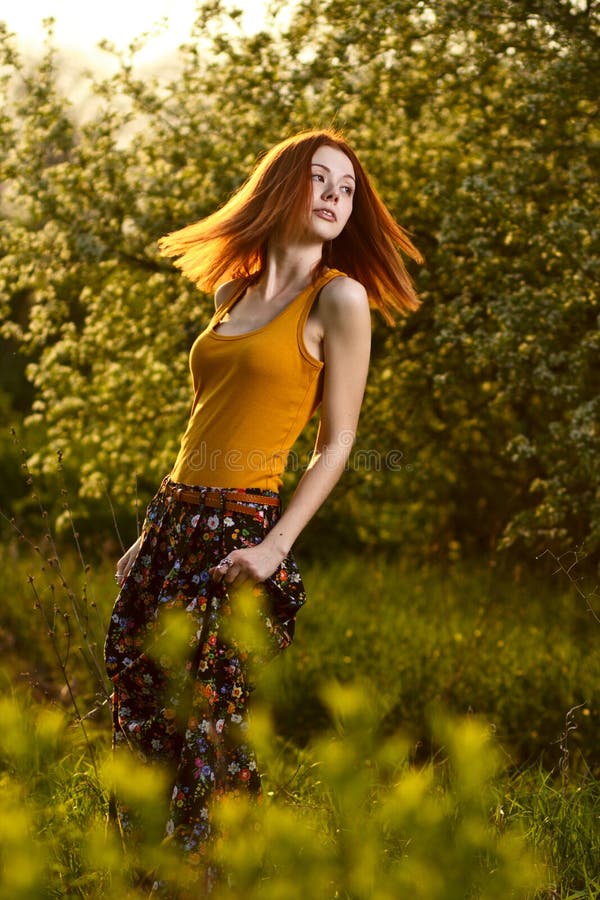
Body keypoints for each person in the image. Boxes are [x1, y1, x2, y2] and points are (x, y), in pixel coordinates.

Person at [103, 128, 422, 896]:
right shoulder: (232, 294)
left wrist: (275, 548)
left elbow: (336, 444)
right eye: (321, 181)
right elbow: (203, 422)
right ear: (284, 187)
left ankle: (215, 882)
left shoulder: (339, 300)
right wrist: (150, 532)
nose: (335, 199)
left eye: (347, 190)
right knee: (140, 706)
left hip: (240, 531)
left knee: (210, 724)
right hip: (174, 520)